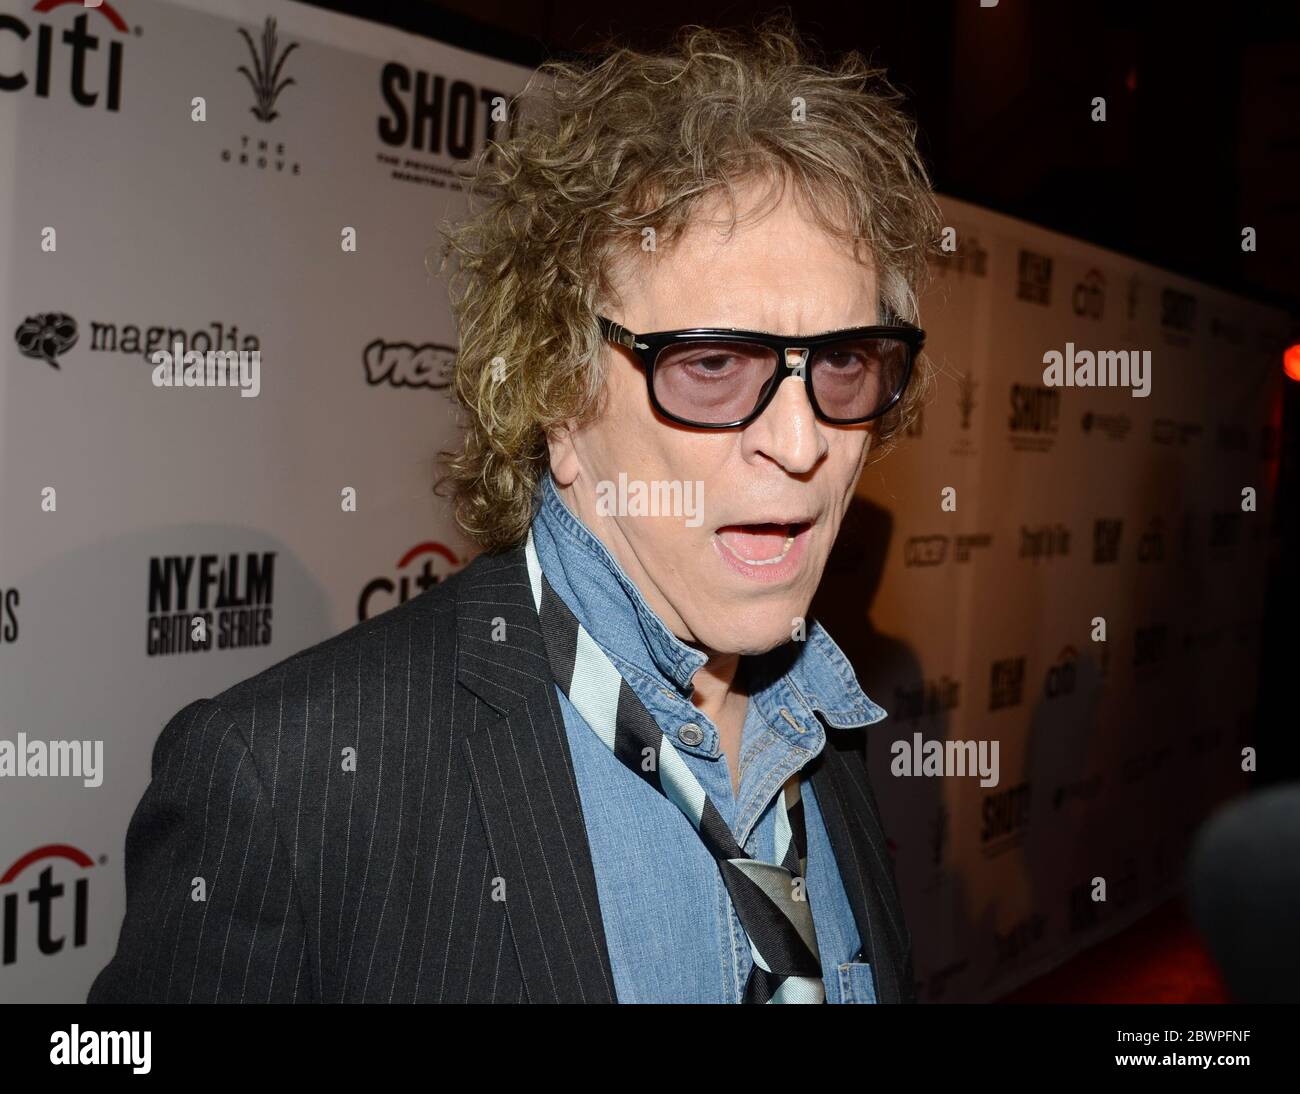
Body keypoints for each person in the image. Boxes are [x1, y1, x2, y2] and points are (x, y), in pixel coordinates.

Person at [88, 14, 940, 1004]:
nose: (799, 443)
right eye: (713, 363)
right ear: (558, 397)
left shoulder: (825, 732)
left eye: (840, 361)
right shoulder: (288, 782)